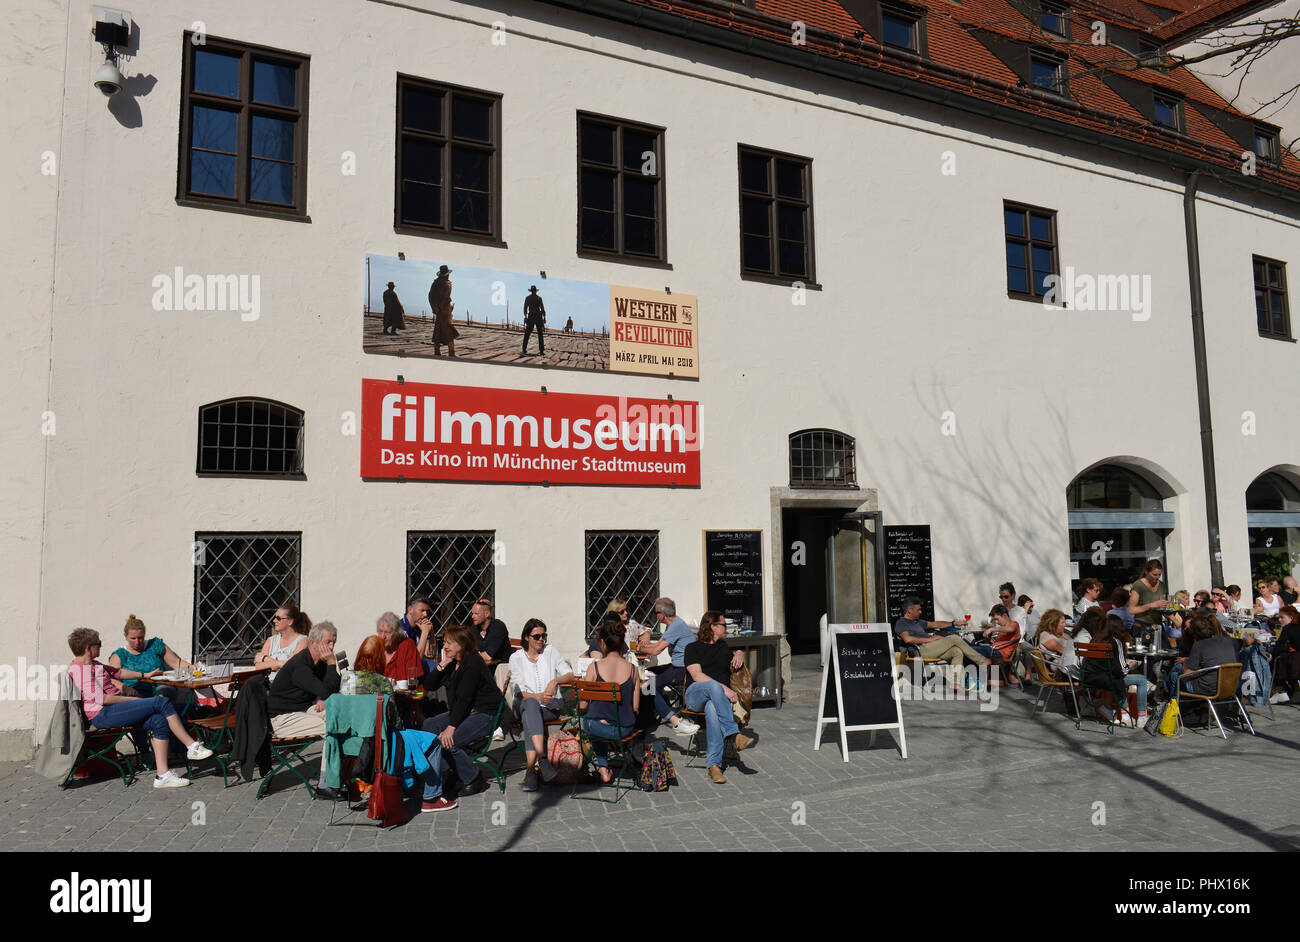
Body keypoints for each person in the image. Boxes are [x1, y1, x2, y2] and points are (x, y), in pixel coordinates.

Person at [66, 627, 212, 789]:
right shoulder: (80, 670)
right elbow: (102, 699)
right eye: (98, 643)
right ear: (88, 647)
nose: (100, 646)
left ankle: (163, 775)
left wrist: (145, 676)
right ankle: (191, 746)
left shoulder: (93, 664)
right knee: (160, 702)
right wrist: (130, 699)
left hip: (113, 709)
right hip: (103, 714)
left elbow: (118, 673)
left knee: (158, 721)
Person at [420, 624, 503, 799]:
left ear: (462, 644)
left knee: (448, 742)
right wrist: (442, 664)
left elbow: (465, 699)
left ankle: (474, 778)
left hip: (484, 713)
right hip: (464, 711)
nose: (445, 646)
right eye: (445, 643)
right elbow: (429, 685)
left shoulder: (473, 662)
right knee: (428, 726)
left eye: (449, 643)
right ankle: (449, 770)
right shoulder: (453, 663)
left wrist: (451, 727)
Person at [683, 611, 755, 785]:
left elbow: (735, 660)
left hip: (716, 701)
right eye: (723, 624)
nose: (726, 627)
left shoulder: (722, 647)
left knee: (713, 708)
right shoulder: (692, 648)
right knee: (714, 687)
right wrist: (725, 690)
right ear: (712, 627)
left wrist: (739, 653)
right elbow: (697, 675)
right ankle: (734, 734)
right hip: (695, 695)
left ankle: (714, 766)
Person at [509, 618, 572, 791]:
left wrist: (555, 681)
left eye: (544, 636)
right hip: (524, 704)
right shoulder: (516, 658)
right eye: (536, 636)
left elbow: (569, 674)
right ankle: (542, 758)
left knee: (530, 717)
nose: (541, 640)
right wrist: (538, 697)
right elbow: (519, 692)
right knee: (530, 704)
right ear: (526, 637)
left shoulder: (550, 651)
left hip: (549, 708)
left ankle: (531, 772)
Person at [577, 619, 643, 784]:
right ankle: (609, 766)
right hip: (623, 730)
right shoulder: (633, 670)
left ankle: (603, 768)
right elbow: (635, 707)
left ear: (602, 643)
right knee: (602, 721)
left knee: (594, 722)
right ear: (622, 644)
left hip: (596, 728)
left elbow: (583, 705)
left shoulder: (594, 668)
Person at [894, 598, 994, 688]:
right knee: (954, 638)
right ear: (909, 610)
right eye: (918, 610)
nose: (921, 612)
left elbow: (936, 624)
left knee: (956, 651)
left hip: (931, 648)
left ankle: (955, 684)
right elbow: (908, 639)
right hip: (920, 651)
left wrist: (953, 623)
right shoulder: (901, 623)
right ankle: (981, 661)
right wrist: (930, 639)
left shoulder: (918, 622)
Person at [267, 622, 341, 739]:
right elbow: (326, 691)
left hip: (303, 710)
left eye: (333, 643)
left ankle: (347, 757)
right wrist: (332, 664)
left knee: (338, 716)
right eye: (328, 642)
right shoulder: (300, 665)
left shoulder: (321, 662)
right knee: (328, 726)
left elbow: (334, 686)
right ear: (313, 642)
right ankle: (334, 758)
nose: (331, 647)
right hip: (281, 719)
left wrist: (322, 699)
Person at [107, 614, 194, 712]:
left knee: (163, 694)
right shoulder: (119, 655)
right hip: (136, 692)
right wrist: (126, 689)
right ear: (126, 636)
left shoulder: (155, 645)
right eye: (133, 638)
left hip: (161, 687)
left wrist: (194, 668)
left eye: (140, 638)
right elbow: (112, 679)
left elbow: (176, 662)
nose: (137, 642)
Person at [1082, 613, 1148, 725]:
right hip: (1109, 680)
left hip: (1089, 678)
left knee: (1115, 677)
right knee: (1141, 680)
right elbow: (1122, 670)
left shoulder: (1095, 639)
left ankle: (1110, 709)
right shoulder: (1116, 641)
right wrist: (1131, 666)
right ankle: (1141, 717)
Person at [639, 597, 696, 710]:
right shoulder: (672, 624)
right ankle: (664, 705)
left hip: (682, 670)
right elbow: (659, 644)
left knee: (648, 684)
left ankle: (660, 713)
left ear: (663, 614)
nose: (655, 615)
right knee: (647, 673)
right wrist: (642, 646)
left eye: (656, 612)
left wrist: (639, 649)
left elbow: (656, 650)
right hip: (676, 666)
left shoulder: (676, 626)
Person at [253, 602, 309, 678]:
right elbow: (259, 667)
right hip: (267, 684)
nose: (274, 621)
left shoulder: (303, 641)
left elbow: (291, 666)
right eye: (275, 617)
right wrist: (280, 664)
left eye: (278, 618)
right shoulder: (271, 641)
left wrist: (265, 659)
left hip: (287, 685)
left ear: (290, 621)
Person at [981, 604, 1025, 687]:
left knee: (966, 648)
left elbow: (1011, 629)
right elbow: (995, 643)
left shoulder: (1014, 624)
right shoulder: (1002, 628)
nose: (996, 622)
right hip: (993, 650)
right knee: (968, 647)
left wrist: (992, 629)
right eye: (995, 620)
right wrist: (988, 639)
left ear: (1005, 615)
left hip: (997, 654)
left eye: (997, 619)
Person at [1127, 559, 1169, 640]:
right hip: (1142, 626)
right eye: (1154, 574)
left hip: (1158, 626)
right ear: (1146, 572)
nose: (1157, 577)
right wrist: (1152, 605)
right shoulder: (1138, 585)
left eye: (1159, 574)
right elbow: (1131, 610)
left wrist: (1167, 609)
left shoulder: (1162, 586)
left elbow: (1161, 606)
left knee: (1166, 650)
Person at [375, 611, 422, 683]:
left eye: (387, 632)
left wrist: (411, 691)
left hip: (401, 692)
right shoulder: (375, 647)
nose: (383, 636)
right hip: (379, 692)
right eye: (380, 631)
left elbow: (412, 677)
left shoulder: (407, 645)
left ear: (397, 633)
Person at [1270, 605, 1300, 703]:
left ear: (1291, 618)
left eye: (1282, 617)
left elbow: (1277, 649)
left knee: (1274, 659)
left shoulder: (1288, 628)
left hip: (1295, 660)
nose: (1279, 620)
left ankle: (1279, 690)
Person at [428, 264, 458, 356]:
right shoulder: (447, 284)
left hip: (438, 311)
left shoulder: (435, 283)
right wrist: (444, 308)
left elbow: (430, 296)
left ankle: (437, 352)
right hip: (445, 311)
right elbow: (446, 298)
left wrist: (435, 308)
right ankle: (451, 353)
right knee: (449, 331)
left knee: (438, 330)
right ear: (447, 274)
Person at [521, 285, 546, 355]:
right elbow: (542, 309)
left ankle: (525, 349)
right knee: (535, 333)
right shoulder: (538, 298)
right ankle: (540, 350)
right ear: (534, 291)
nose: (534, 292)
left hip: (533, 316)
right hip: (536, 316)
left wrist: (544, 317)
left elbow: (525, 309)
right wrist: (544, 317)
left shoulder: (529, 298)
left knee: (531, 333)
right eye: (534, 291)